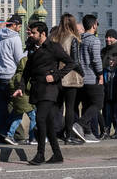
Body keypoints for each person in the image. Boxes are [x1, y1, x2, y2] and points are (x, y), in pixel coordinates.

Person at [17, 19, 79, 165]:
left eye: (34, 33)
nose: (31, 35)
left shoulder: (53, 47)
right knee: (49, 123)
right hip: (37, 88)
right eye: (30, 32)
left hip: (50, 89)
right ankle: (57, 154)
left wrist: (56, 75)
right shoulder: (32, 48)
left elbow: (71, 63)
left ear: (42, 33)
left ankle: (40, 154)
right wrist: (20, 87)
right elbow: (27, 71)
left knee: (40, 119)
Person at [0, 14, 24, 144]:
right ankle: (6, 132)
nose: (19, 29)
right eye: (19, 26)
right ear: (14, 25)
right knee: (17, 107)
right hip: (10, 75)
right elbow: (19, 59)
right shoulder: (15, 38)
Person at [50, 13, 86, 143]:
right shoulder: (73, 38)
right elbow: (75, 61)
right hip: (70, 77)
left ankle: (55, 132)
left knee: (57, 106)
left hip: (56, 76)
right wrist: (82, 73)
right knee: (70, 107)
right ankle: (69, 135)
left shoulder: (54, 37)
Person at [78, 14, 105, 138]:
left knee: (86, 105)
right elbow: (96, 60)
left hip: (81, 78)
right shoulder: (94, 40)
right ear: (94, 25)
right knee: (98, 103)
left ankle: (87, 133)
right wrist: (100, 74)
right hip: (92, 77)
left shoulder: (78, 39)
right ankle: (80, 124)